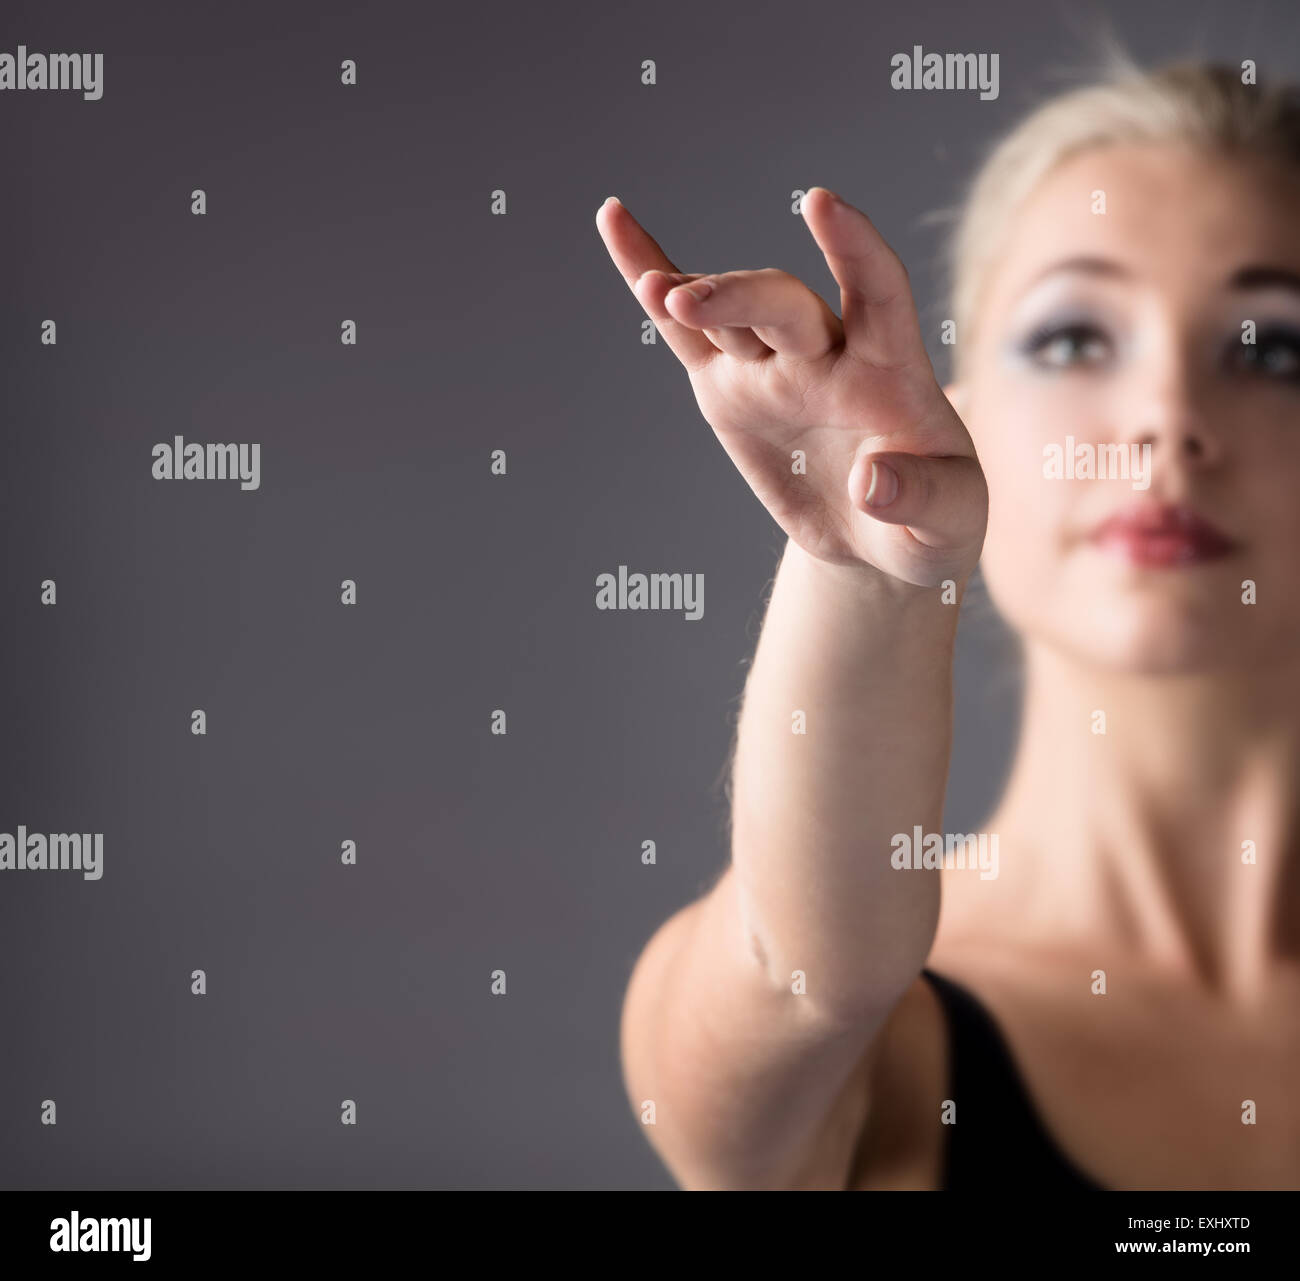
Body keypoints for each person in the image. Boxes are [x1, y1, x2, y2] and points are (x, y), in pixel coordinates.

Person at [597, 61, 1300, 1191]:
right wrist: (867, 563)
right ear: (957, 421)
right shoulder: (892, 1054)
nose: (1165, 419)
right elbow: (804, 980)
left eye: (1271, 347)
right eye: (1073, 339)